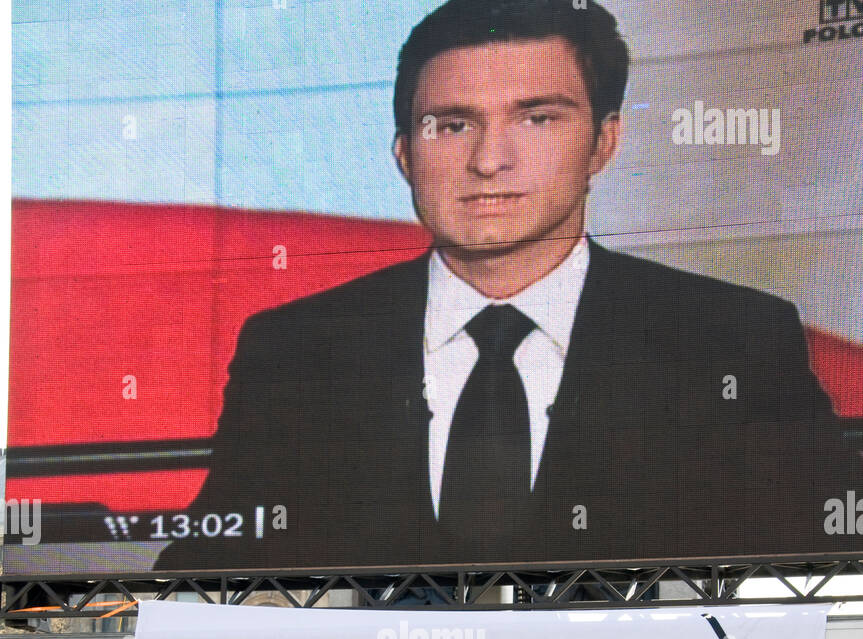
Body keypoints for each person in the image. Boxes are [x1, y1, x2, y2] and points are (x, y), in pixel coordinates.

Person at [156, 0, 850, 573]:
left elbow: (827, 579)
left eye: (536, 118)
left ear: (604, 143)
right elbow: (206, 580)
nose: (489, 160)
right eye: (451, 125)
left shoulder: (731, 340)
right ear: (403, 154)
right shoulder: (295, 350)